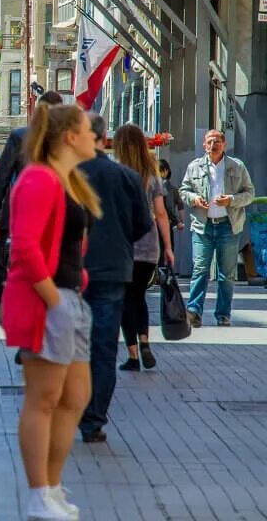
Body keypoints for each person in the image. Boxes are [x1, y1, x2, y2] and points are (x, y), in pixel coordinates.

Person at [3, 102, 101, 521]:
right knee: (43, 398)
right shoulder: (39, 178)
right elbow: (24, 247)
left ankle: (52, 487)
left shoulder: (67, 180)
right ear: (70, 137)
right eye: (89, 130)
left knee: (75, 396)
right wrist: (54, 299)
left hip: (67, 298)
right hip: (49, 301)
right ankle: (39, 493)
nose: (96, 136)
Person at [75, 113, 153, 444]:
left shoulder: (68, 174)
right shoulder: (127, 177)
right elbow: (143, 223)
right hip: (113, 269)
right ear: (103, 136)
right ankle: (93, 420)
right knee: (104, 348)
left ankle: (73, 409)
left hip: (72, 271)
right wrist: (120, 241)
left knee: (72, 346)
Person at [0, 91, 65, 316]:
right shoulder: (68, 138)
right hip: (59, 212)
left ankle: (9, 302)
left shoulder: (20, 136)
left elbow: (2, 178)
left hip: (25, 211)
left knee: (13, 258)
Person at [178, 129, 256, 328]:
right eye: (210, 141)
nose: (214, 144)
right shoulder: (194, 166)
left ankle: (223, 314)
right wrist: (194, 199)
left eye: (218, 141)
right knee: (199, 270)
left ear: (224, 144)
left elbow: (249, 193)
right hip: (202, 227)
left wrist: (231, 200)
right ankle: (193, 313)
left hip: (228, 227)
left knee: (226, 274)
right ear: (204, 145)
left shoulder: (237, 166)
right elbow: (183, 190)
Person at [113, 125, 175, 372]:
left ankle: (133, 356)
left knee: (124, 300)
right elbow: (161, 213)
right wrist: (167, 247)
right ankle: (145, 341)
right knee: (139, 296)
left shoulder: (116, 173)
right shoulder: (152, 174)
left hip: (123, 244)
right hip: (149, 245)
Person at [159, 159, 186, 256]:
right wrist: (179, 221)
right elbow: (171, 206)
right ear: (166, 170)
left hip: (152, 226)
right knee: (166, 254)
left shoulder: (150, 185)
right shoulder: (168, 186)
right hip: (164, 225)